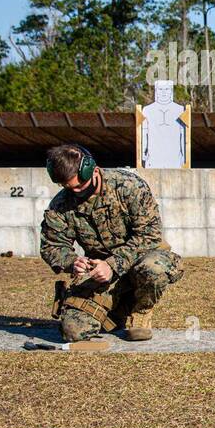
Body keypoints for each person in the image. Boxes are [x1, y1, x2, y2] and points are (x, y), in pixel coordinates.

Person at [39, 144, 184, 342]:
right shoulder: (60, 205)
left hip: (142, 258)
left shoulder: (129, 187)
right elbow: (52, 245)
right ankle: (117, 309)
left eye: (81, 185)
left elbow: (149, 234)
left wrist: (112, 265)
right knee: (73, 331)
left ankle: (141, 311)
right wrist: (73, 262)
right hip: (100, 272)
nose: (77, 192)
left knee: (153, 268)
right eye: (69, 188)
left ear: (93, 170)